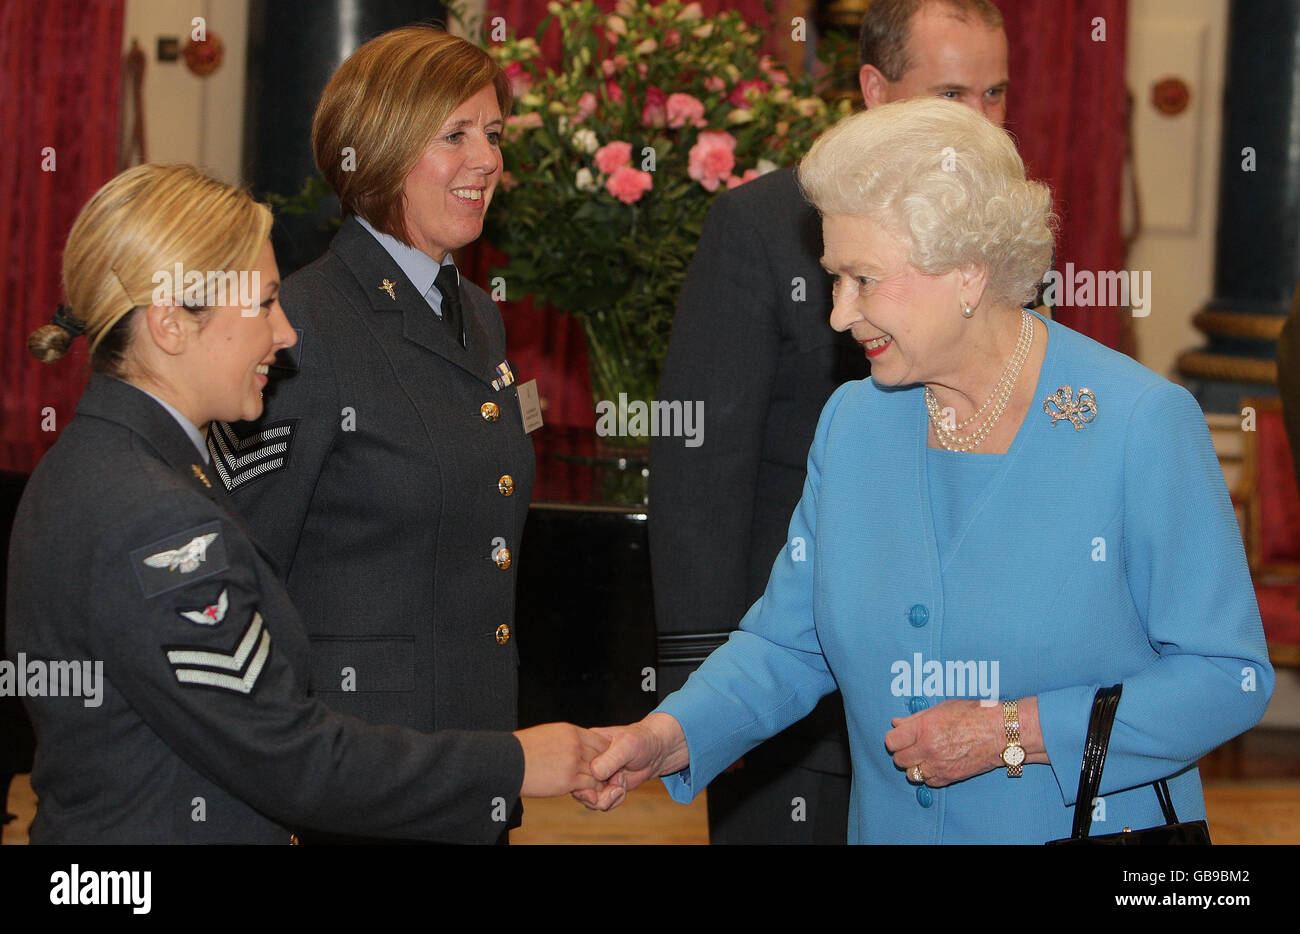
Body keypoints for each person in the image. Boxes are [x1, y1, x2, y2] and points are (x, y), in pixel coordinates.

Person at [585, 99, 1275, 843]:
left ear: (969, 274)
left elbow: (1226, 676)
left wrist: (1016, 731)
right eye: (832, 279)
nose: (839, 316)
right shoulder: (855, 423)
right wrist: (667, 735)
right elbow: (788, 643)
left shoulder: (1135, 424)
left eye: (863, 280)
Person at [8, 163, 605, 843]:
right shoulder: (157, 514)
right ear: (172, 323)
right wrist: (515, 761)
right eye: (264, 303)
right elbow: (288, 758)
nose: (287, 332)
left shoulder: (85, 461)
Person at [648, 0, 1009, 843]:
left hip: (970, 705)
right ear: (876, 90)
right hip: (793, 704)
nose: (985, 124)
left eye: (997, 94)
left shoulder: (1007, 240)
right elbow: (700, 465)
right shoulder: (764, 226)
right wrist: (708, 695)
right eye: (954, 96)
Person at [206, 27, 535, 842]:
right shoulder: (302, 324)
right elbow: (243, 572)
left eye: (492, 135)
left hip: (473, 761)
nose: (487, 159)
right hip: (361, 782)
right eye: (454, 134)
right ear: (381, 151)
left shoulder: (479, 314)